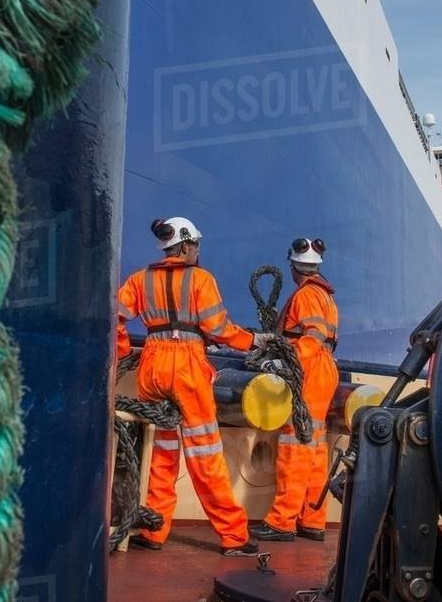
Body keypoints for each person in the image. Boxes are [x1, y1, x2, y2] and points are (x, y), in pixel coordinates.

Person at [113, 216, 260, 556]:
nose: (198, 251)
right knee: (205, 455)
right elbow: (218, 327)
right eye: (196, 245)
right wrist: (250, 341)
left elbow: (116, 315)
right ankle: (234, 536)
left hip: (152, 367)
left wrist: (122, 349)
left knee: (163, 454)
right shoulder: (201, 278)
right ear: (188, 245)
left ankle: (154, 531)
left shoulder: (139, 280)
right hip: (188, 369)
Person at [250, 237, 339, 542]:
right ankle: (312, 521)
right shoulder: (324, 295)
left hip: (310, 370)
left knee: (295, 446)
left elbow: (311, 337)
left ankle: (281, 522)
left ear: (293, 267)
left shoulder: (306, 296)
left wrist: (285, 363)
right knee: (314, 448)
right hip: (324, 369)